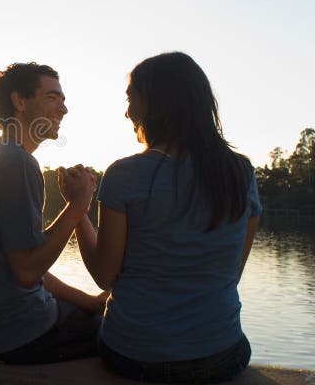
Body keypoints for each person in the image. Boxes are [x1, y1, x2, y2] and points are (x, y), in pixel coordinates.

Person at [73, 52, 260, 383]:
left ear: (156, 103)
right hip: (222, 355)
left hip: (134, 356)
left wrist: (77, 209)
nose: (127, 112)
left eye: (132, 100)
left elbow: (104, 276)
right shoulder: (240, 172)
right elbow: (231, 272)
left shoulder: (125, 174)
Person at [0, 62, 105, 364]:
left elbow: (24, 264)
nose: (64, 109)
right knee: (123, 337)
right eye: (52, 98)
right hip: (12, 334)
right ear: (20, 101)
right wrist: (79, 204)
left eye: (63, 99)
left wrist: (90, 303)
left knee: (91, 314)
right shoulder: (16, 164)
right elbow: (28, 271)